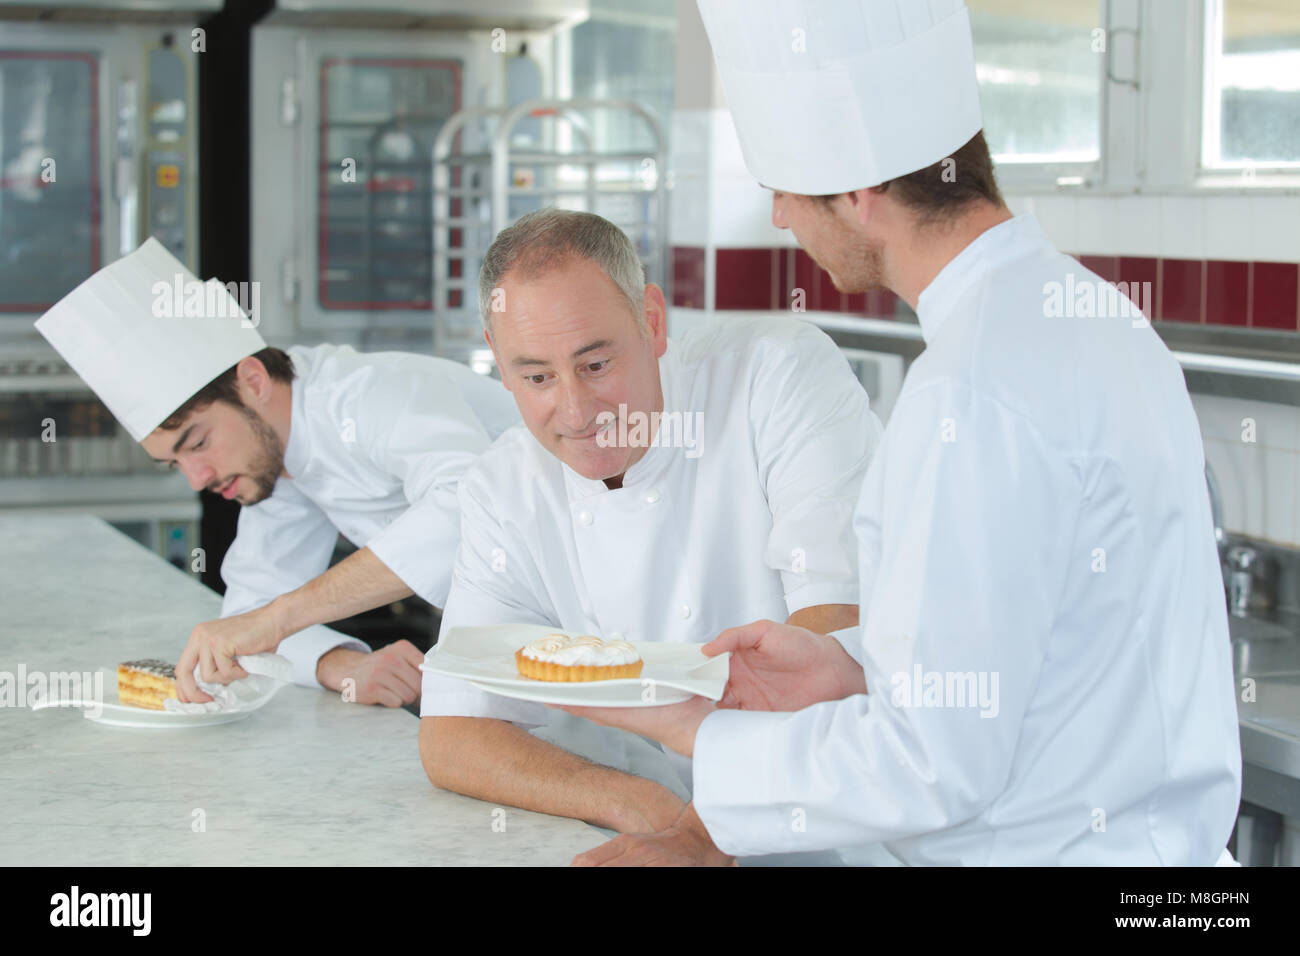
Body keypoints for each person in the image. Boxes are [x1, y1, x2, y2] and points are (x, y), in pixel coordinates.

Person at [561, 0, 1241, 865]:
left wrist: (699, 732)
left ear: (857, 193)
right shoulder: (1090, 314)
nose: (778, 217)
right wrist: (849, 666)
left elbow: (929, 766)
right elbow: (1041, 643)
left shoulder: (969, 392)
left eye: (784, 189)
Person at [418, 208, 884, 844]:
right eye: (536, 377)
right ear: (500, 368)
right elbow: (452, 733)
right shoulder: (504, 488)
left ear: (653, 323)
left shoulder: (775, 375)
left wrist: (706, 828)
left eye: (596, 364)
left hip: (836, 822)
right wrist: (646, 806)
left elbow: (833, 632)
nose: (577, 411)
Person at [35, 238, 518, 705]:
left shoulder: (372, 394)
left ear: (252, 381)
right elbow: (247, 615)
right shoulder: (276, 460)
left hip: (582, 620)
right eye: (174, 463)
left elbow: (471, 507)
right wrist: (338, 664)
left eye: (198, 443)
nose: (197, 479)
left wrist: (280, 617)